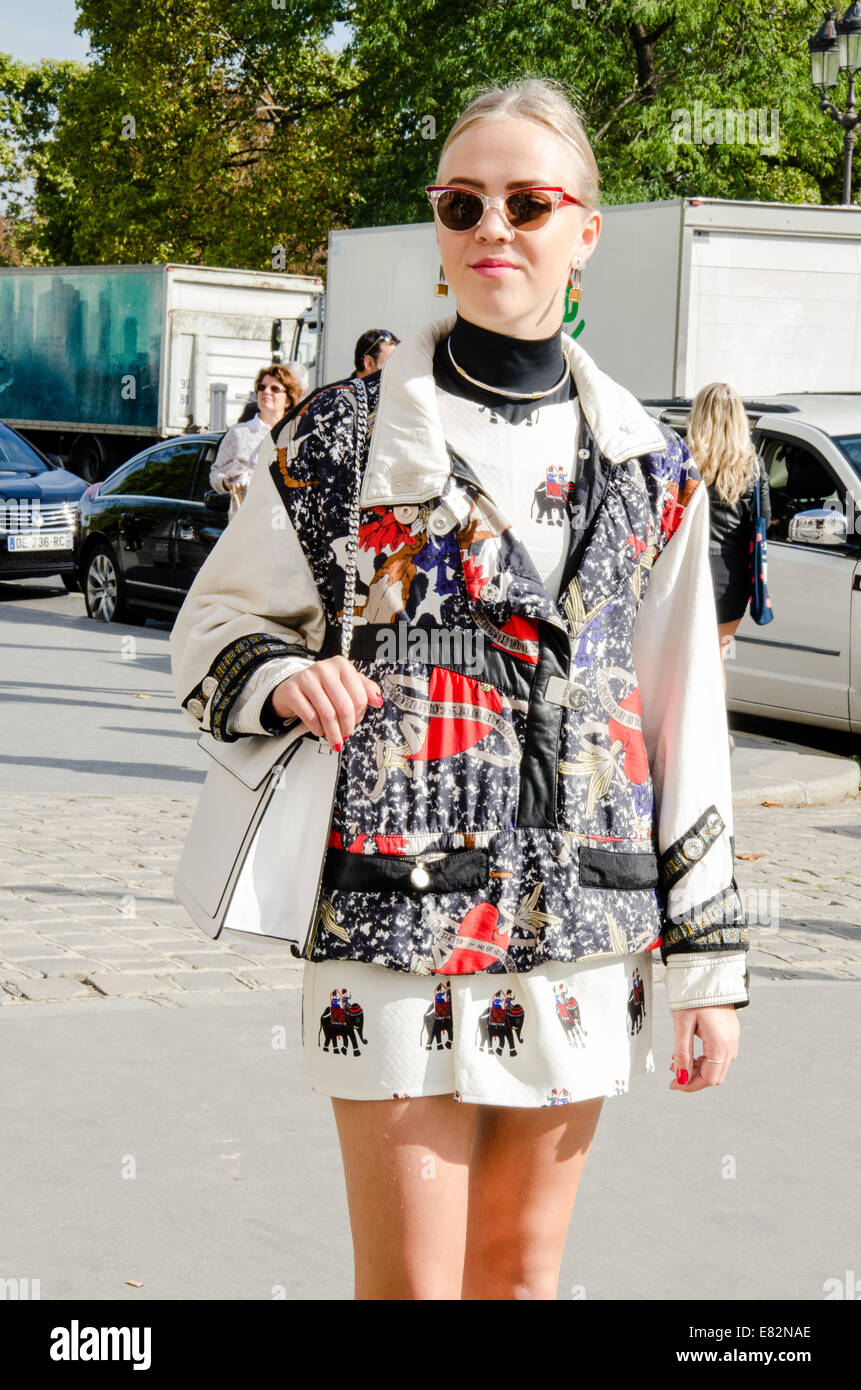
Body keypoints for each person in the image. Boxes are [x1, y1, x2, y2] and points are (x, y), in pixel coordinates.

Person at [170, 76, 749, 1301]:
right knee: (413, 1290)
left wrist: (705, 966)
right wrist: (282, 678)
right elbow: (216, 624)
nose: (494, 225)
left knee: (522, 1278)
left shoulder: (651, 467)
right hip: (393, 913)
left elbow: (682, 713)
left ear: (584, 228)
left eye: (529, 201)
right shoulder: (336, 441)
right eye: (463, 200)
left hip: (586, 924)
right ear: (437, 225)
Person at [686, 382, 772, 701]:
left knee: (683, 662)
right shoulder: (753, 468)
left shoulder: (685, 460)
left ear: (699, 416)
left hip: (688, 575)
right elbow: (762, 525)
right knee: (716, 659)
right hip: (732, 581)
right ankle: (713, 738)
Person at [209, 364, 302, 510]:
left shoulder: (296, 435)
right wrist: (228, 482)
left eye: (275, 389)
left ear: (288, 399)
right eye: (262, 387)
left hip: (284, 521)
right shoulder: (238, 433)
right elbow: (215, 474)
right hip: (248, 521)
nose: (266, 392)